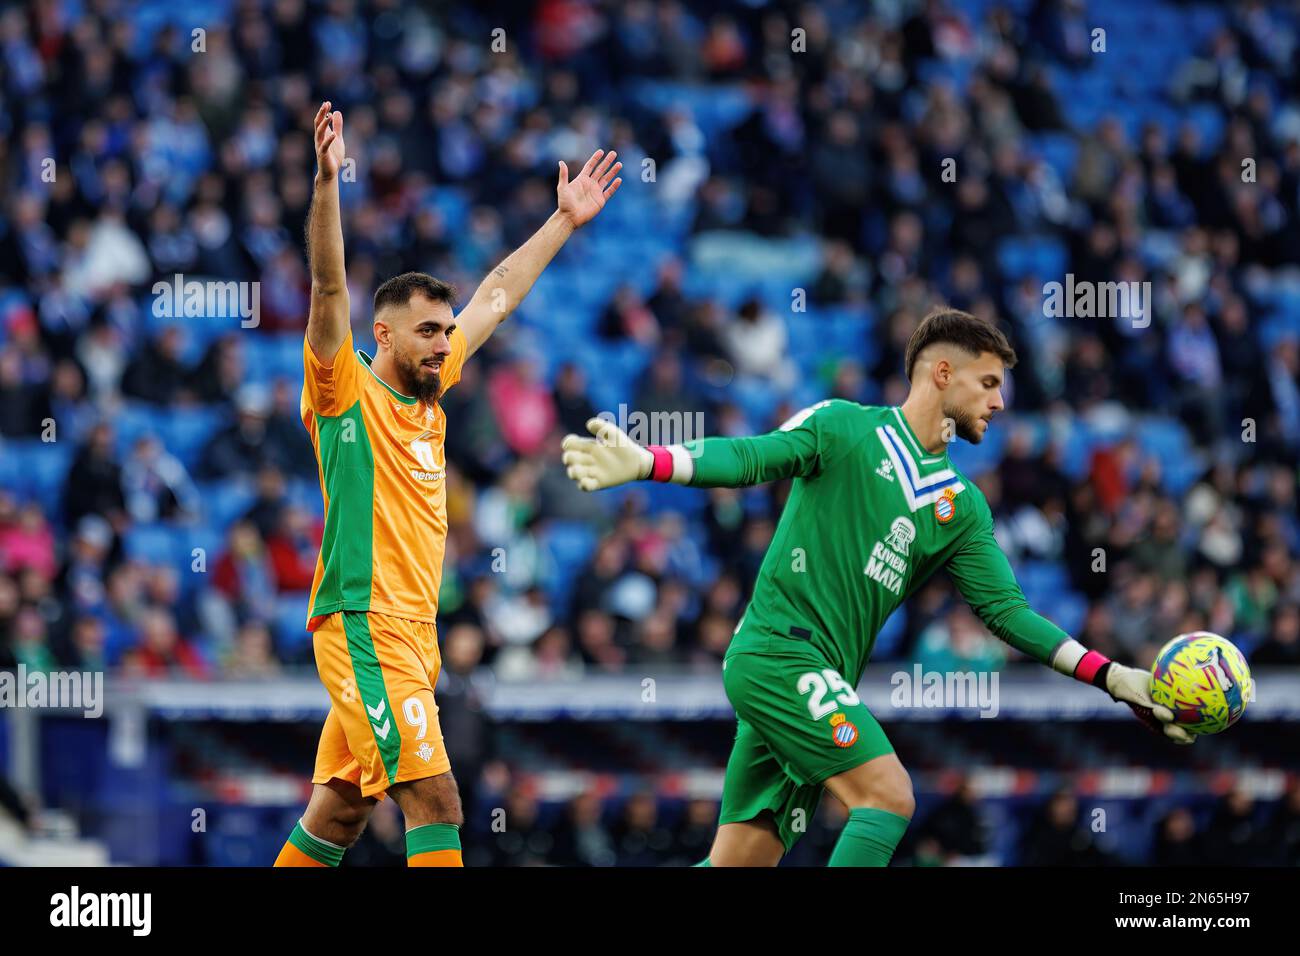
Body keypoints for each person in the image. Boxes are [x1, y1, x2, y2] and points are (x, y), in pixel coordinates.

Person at [561, 307, 1192, 867]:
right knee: (889, 795)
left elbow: (1006, 612)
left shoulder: (961, 505)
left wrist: (1112, 677)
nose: (1000, 403)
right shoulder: (845, 428)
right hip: (780, 653)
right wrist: (650, 461)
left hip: (822, 677)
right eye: (990, 383)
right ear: (942, 372)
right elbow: (751, 457)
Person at [274, 101, 622, 869]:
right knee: (436, 800)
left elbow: (496, 292)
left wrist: (563, 221)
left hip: (413, 635)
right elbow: (329, 289)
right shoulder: (343, 393)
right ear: (384, 336)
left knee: (339, 812)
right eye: (427, 332)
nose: (443, 342)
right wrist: (328, 183)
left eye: (444, 330)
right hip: (364, 624)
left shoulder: (433, 391)